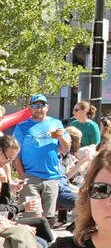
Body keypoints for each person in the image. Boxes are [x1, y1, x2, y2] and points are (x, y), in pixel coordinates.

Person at [9, 94, 71, 223]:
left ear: (47, 107)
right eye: (35, 105)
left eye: (42, 105)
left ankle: (46, 242)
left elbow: (65, 149)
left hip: (52, 177)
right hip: (31, 177)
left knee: (49, 218)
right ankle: (32, 242)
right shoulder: (22, 127)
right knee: (33, 216)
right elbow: (16, 155)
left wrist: (61, 137)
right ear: (30, 108)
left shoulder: (55, 123)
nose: (39, 108)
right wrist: (22, 175)